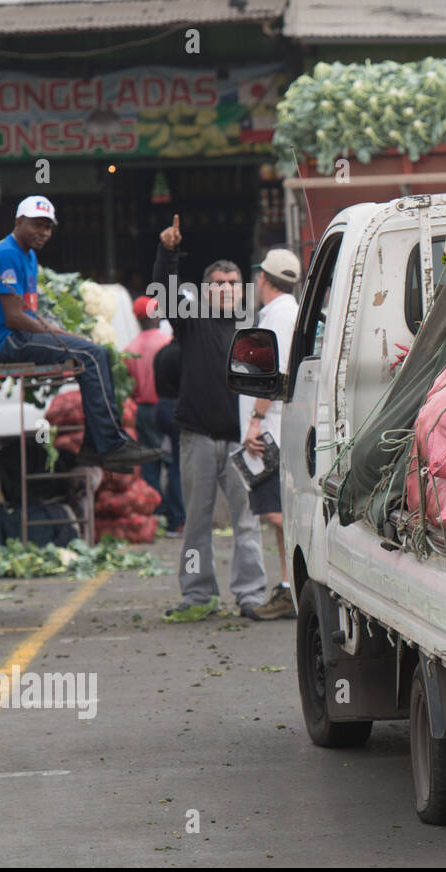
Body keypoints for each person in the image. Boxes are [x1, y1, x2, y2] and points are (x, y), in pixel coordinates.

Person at [152, 214, 269, 621]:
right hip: (198, 436)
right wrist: (168, 253)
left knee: (248, 521)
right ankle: (198, 595)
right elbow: (164, 299)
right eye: (217, 284)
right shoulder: (192, 322)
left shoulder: (253, 326)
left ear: (242, 290)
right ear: (205, 290)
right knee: (196, 523)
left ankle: (252, 595)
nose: (225, 289)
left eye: (232, 284)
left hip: (242, 440)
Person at [0, 196, 160, 471]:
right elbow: (14, 316)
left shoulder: (29, 256)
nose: (44, 233)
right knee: (92, 354)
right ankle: (109, 444)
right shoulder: (6, 254)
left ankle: (96, 444)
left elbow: (30, 311)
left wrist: (63, 333)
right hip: (5, 340)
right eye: (37, 225)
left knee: (93, 351)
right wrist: (58, 334)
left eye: (48, 227)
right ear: (18, 222)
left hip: (19, 335)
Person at [238, 248, 302, 620]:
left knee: (279, 513)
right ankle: (287, 585)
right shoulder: (288, 312)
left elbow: (272, 373)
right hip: (278, 428)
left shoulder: (278, 317)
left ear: (262, 278)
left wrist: (255, 422)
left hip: (273, 431)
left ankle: (290, 586)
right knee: (279, 512)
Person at [124, 296, 184, 535]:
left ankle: (152, 518)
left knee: (150, 464)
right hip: (169, 406)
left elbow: (129, 388)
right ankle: (176, 518)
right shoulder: (167, 342)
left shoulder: (129, 350)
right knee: (177, 465)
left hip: (143, 411)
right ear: (156, 314)